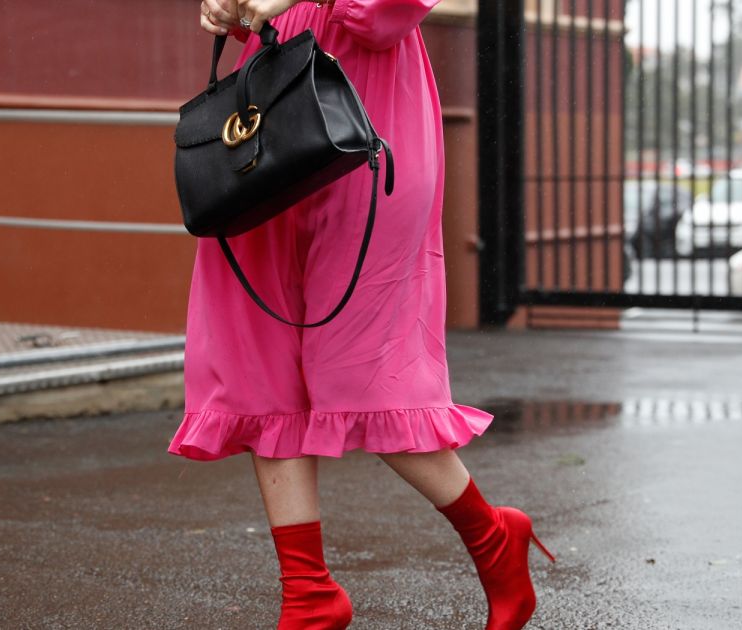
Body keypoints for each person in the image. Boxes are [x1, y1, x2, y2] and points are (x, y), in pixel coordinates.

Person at [171, 0, 555, 627]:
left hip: (366, 117)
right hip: (269, 110)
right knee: (259, 368)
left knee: (368, 376)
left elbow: (388, 14)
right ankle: (308, 594)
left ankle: (493, 538)